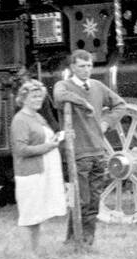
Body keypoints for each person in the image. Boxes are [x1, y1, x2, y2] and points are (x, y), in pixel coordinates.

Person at [53, 50, 125, 247]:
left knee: (93, 201)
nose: (86, 70)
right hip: (78, 152)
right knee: (80, 200)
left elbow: (120, 105)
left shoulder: (98, 86)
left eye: (89, 66)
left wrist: (106, 123)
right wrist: (82, 102)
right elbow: (59, 96)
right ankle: (72, 239)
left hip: (98, 151)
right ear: (73, 68)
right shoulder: (64, 85)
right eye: (82, 66)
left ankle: (87, 240)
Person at [11, 79, 67, 255]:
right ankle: (28, 254)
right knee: (28, 217)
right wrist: (48, 147)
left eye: (40, 97)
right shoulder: (20, 120)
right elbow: (21, 149)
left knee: (37, 216)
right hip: (29, 173)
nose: (37, 100)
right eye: (33, 97)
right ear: (23, 98)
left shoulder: (37, 116)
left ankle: (35, 251)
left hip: (42, 172)